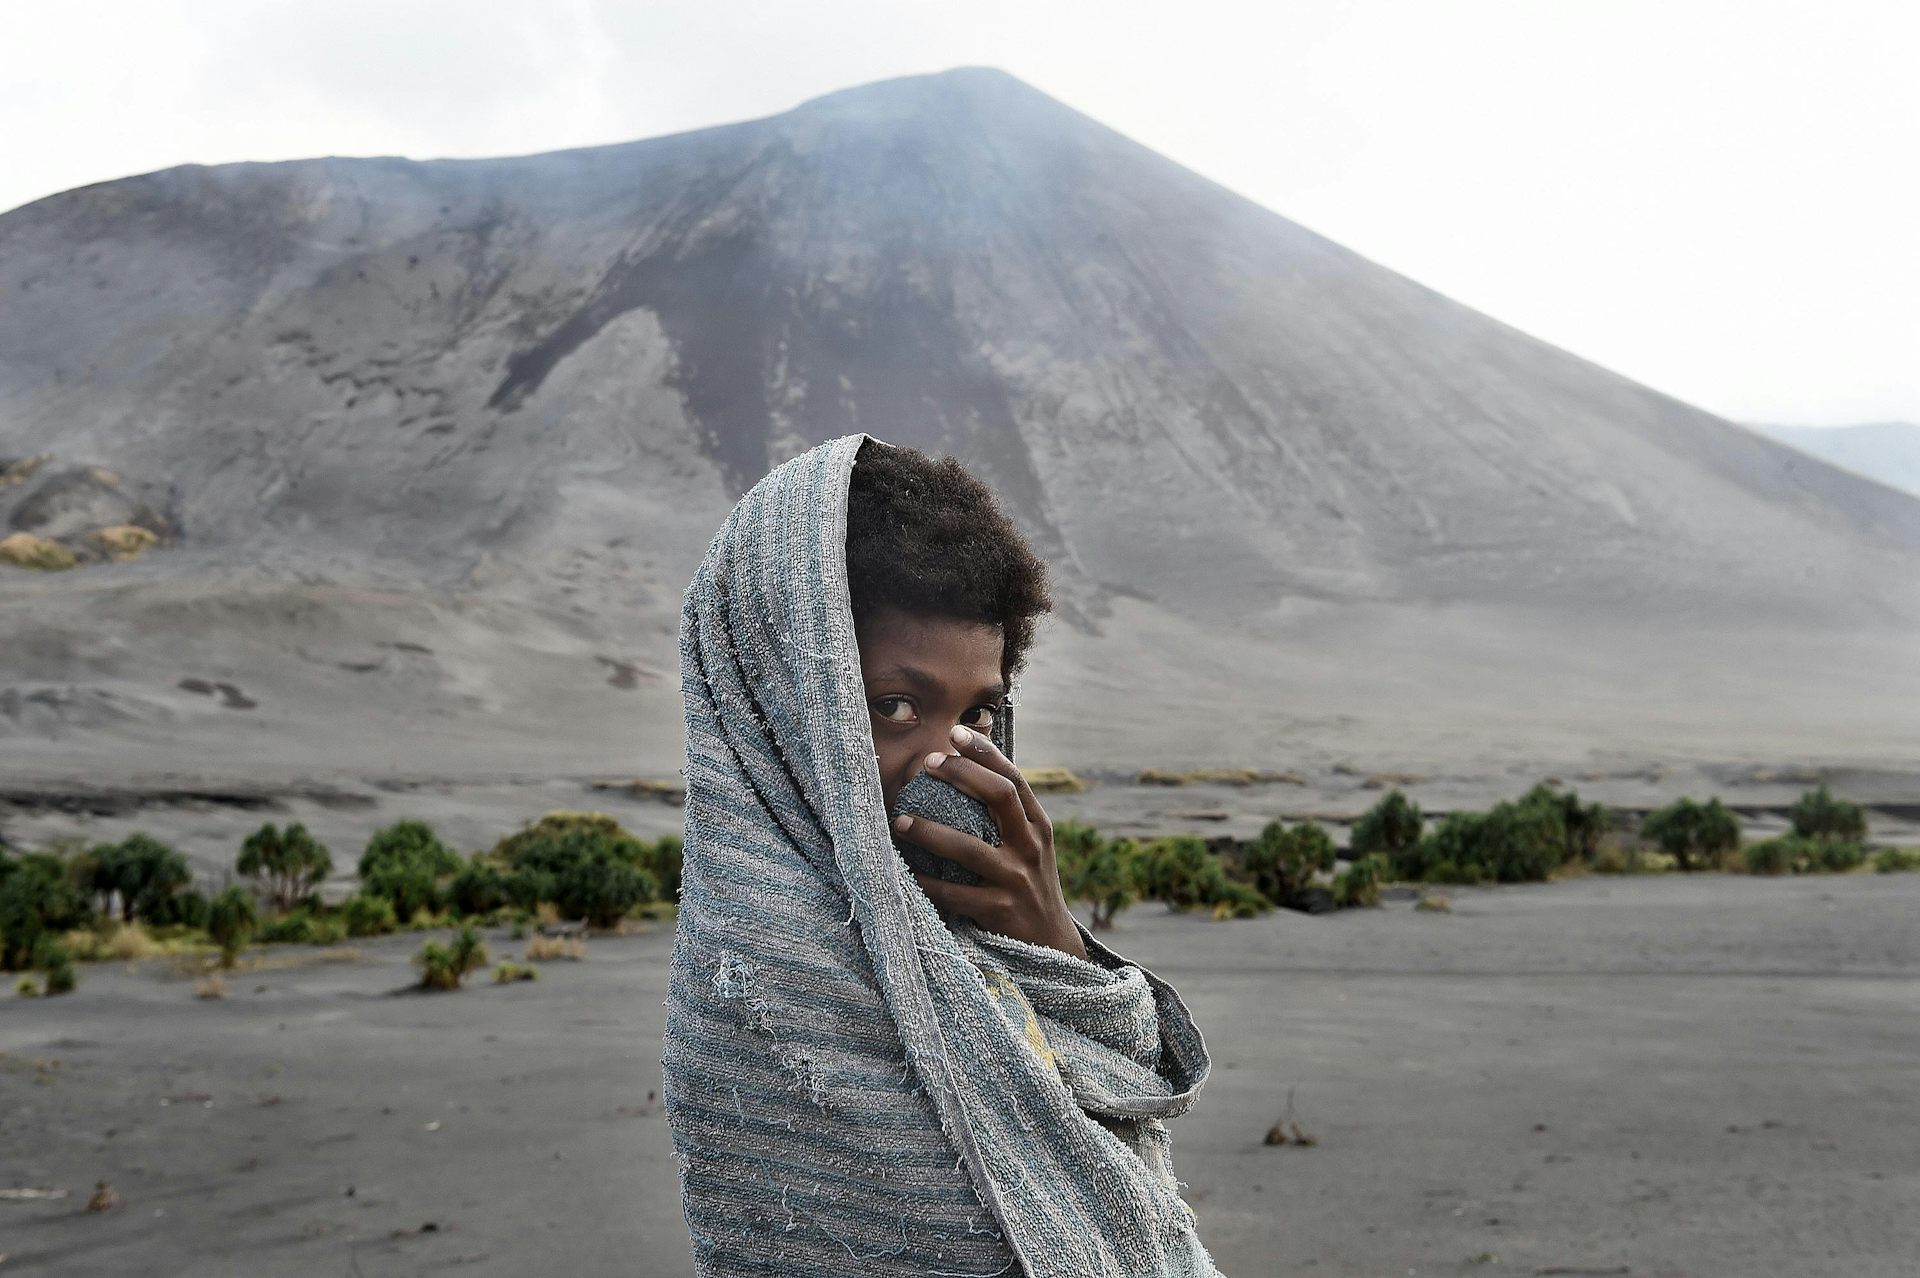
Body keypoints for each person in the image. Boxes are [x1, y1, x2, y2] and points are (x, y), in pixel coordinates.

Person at [663, 434, 1224, 1277]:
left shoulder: (957, 924)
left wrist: (1054, 945)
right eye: (893, 705)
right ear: (785, 695)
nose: (945, 758)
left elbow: (1128, 1119)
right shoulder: (771, 990)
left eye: (980, 716)